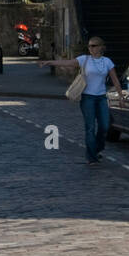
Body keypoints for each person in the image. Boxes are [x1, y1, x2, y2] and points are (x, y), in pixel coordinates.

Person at [45, 36, 120, 165]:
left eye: (93, 46)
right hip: (87, 98)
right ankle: (92, 157)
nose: (90, 48)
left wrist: (121, 96)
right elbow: (67, 63)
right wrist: (50, 62)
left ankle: (96, 149)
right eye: (89, 46)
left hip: (101, 97)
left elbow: (115, 80)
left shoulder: (107, 62)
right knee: (90, 127)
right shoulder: (84, 59)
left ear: (101, 47)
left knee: (104, 126)